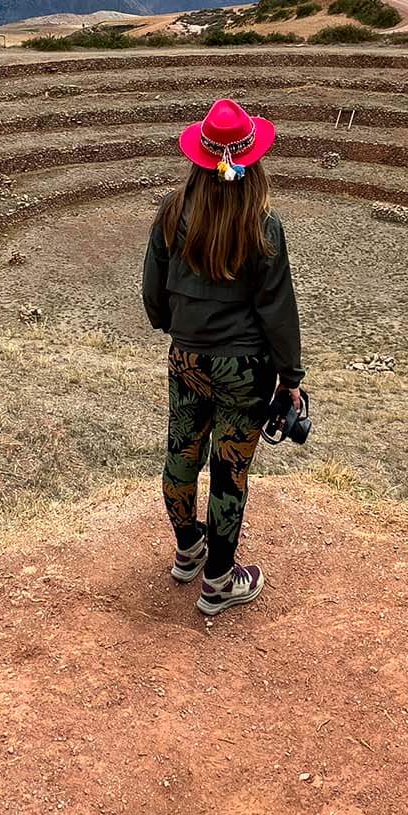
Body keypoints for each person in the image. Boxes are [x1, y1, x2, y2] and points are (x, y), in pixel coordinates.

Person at [141, 97, 304, 615]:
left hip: (187, 359)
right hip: (245, 369)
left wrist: (179, 330)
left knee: (181, 453)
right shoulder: (263, 223)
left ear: (200, 156)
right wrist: (291, 378)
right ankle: (218, 581)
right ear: (251, 160)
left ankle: (188, 548)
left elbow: (152, 293)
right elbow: (277, 308)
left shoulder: (172, 212)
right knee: (229, 470)